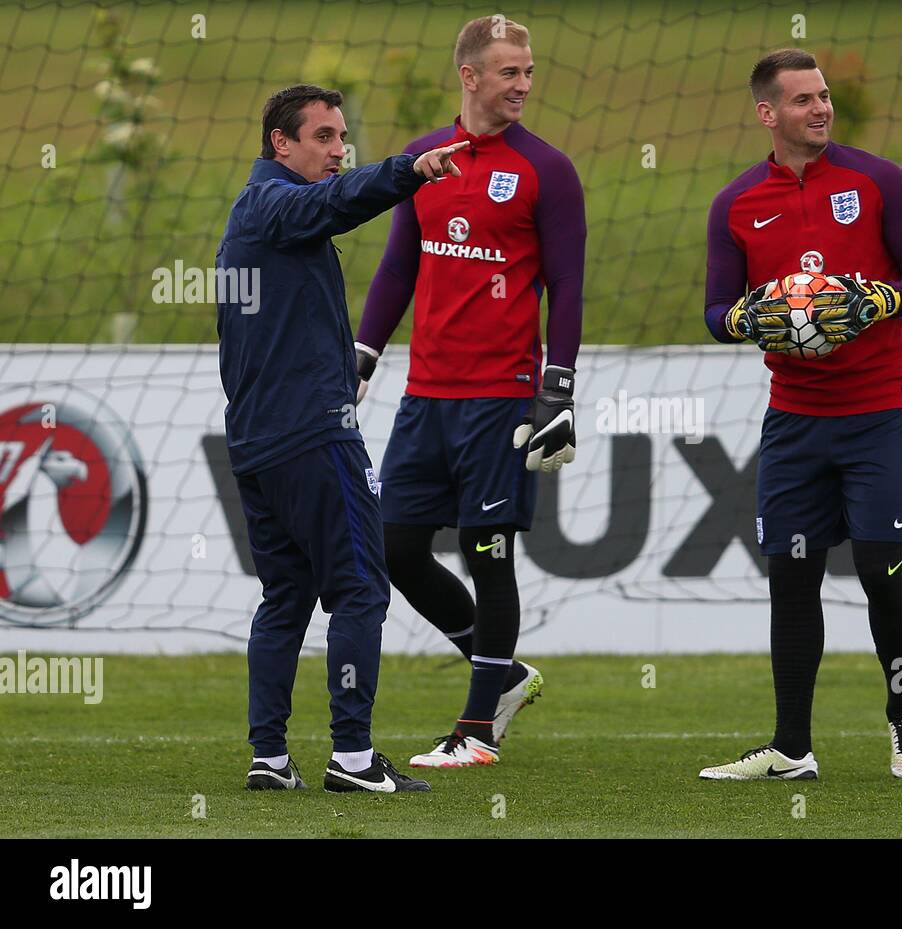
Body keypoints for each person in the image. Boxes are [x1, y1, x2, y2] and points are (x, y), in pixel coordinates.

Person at [698, 50, 902, 781]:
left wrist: (875, 299)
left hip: (880, 406)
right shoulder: (735, 204)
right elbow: (714, 312)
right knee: (791, 574)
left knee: (879, 564)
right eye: (803, 99)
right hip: (796, 416)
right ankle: (792, 748)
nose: (821, 108)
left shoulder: (878, 180)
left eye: (825, 96)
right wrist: (754, 315)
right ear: (767, 113)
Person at [217, 83, 466, 792]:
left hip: (259, 443)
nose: (337, 149)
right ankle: (353, 757)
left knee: (286, 597)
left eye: (341, 136)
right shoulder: (273, 206)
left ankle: (269, 758)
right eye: (323, 137)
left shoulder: (255, 215)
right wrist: (407, 170)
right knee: (359, 587)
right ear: (281, 143)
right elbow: (330, 204)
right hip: (310, 438)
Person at [355, 15, 585, 768]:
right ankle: (506, 675)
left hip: (502, 394)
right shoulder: (424, 157)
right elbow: (398, 265)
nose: (522, 84)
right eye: (508, 72)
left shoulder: (547, 169)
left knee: (490, 551)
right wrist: (363, 352)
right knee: (395, 547)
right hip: (427, 392)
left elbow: (567, 286)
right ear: (471, 77)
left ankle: (478, 728)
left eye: (528, 71)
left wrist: (557, 388)